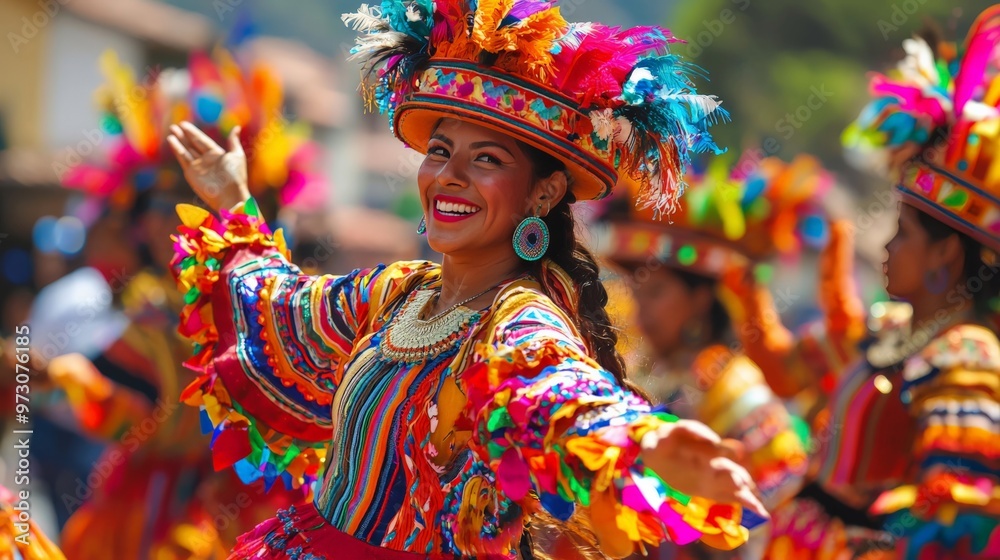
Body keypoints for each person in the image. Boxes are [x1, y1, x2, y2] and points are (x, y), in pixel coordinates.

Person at [164, 1, 767, 558]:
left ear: (544, 191)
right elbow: (286, 311)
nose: (449, 176)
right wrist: (236, 203)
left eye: (486, 159)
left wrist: (641, 441)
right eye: (441, 151)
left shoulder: (516, 318)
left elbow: (553, 387)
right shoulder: (401, 292)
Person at [24, 49, 325, 559]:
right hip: (154, 521)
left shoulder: (286, 303)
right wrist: (48, 381)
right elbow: (129, 411)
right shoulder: (155, 313)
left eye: (186, 198)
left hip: (256, 520)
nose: (164, 220)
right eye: (156, 203)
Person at [764, 8, 1000, 559]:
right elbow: (784, 369)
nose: (888, 248)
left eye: (903, 233)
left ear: (945, 252)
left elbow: (958, 520)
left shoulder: (968, 356)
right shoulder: (892, 331)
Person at [596, 153, 833, 559]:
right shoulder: (643, 374)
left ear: (700, 298)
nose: (640, 310)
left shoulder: (732, 383)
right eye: (636, 293)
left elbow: (776, 506)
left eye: (655, 294)